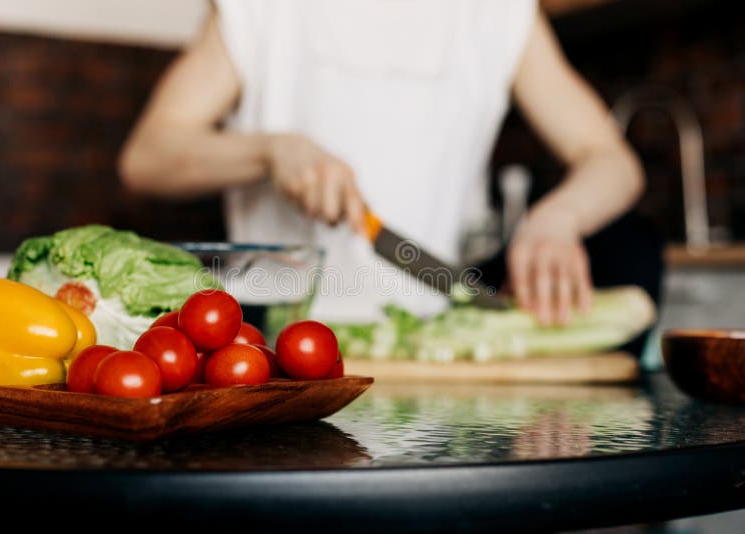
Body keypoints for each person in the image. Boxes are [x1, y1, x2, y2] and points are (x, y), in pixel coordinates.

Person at [119, 0, 661, 347]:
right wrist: (270, 152)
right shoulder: (266, 9)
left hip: (427, 344)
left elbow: (611, 160)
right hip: (272, 349)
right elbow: (147, 157)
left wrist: (557, 217)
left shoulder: (498, 14)